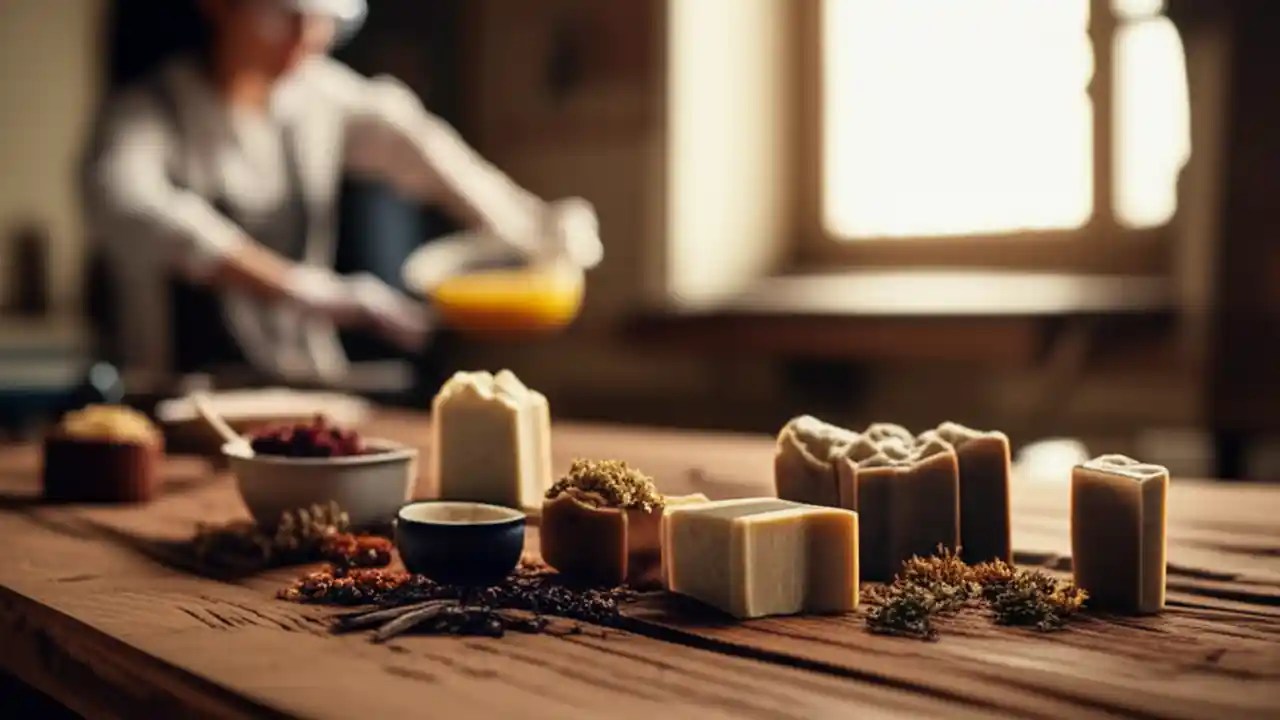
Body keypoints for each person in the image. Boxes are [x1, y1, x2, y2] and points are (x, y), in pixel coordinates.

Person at [83, 0, 602, 384]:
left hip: (306, 387)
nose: (302, 38)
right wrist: (301, 288)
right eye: (281, 15)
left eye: (320, 21)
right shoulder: (151, 112)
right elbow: (130, 203)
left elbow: (421, 146)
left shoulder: (320, 98)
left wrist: (533, 225)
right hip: (179, 403)